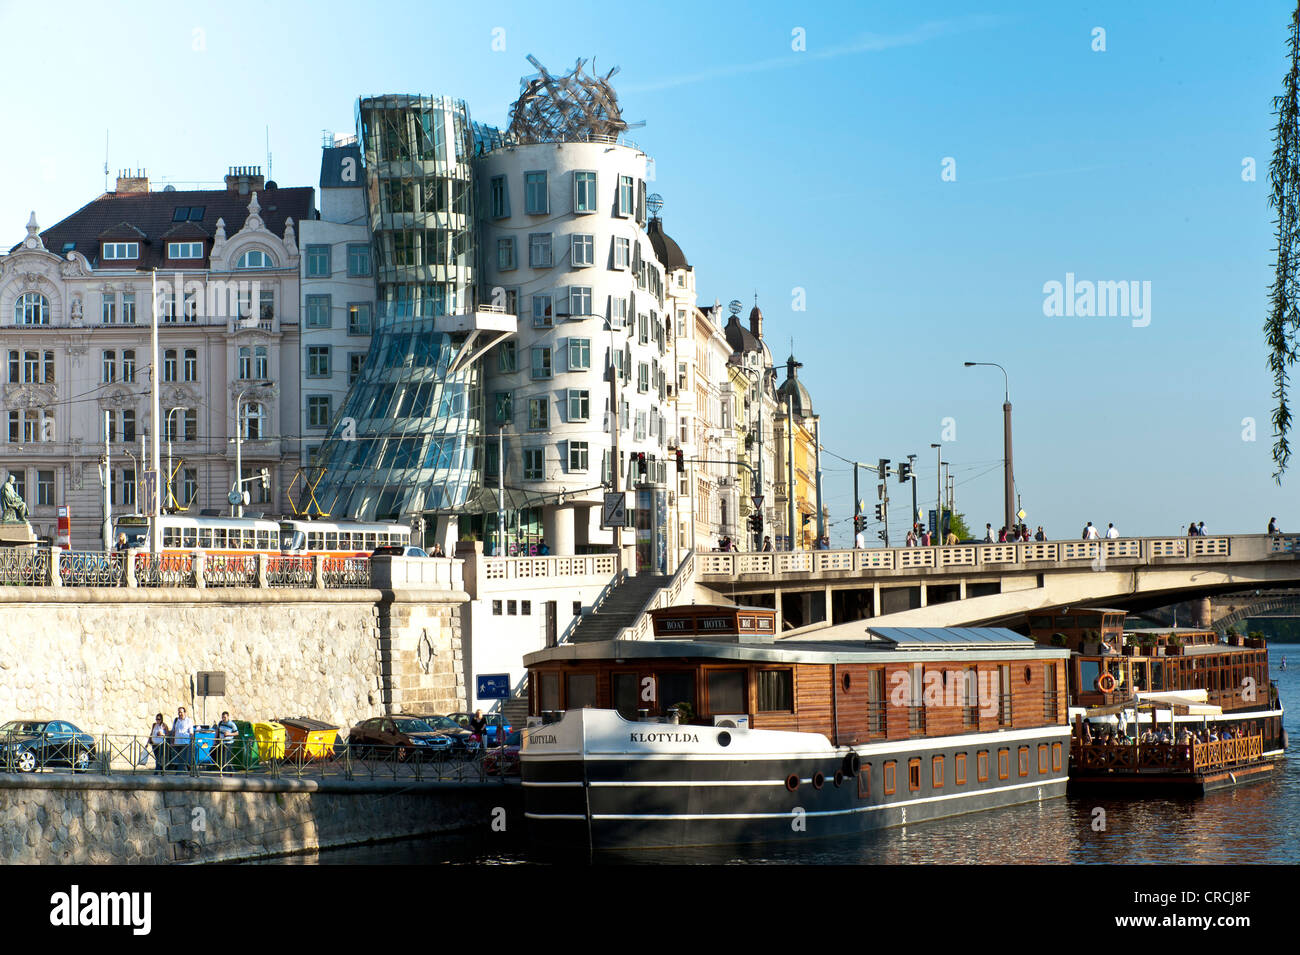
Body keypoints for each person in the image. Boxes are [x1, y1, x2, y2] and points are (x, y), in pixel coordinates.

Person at [171, 705, 195, 770]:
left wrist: (192, 741)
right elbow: (173, 731)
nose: (180, 714)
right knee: (178, 758)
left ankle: (180, 772)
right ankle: (184, 770)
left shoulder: (188, 721)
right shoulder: (176, 720)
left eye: (181, 712)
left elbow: (191, 732)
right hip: (177, 742)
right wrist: (172, 741)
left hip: (185, 742)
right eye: (179, 712)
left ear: (184, 713)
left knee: (183, 757)